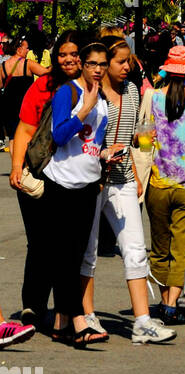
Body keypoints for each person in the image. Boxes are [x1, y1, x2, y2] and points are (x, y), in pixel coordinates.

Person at [80, 39, 175, 344]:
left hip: (122, 180)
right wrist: (103, 152)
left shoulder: (133, 91)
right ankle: (88, 315)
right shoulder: (89, 95)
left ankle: (143, 322)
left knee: (135, 250)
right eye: (120, 61)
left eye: (128, 61)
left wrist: (137, 146)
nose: (127, 66)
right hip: (92, 180)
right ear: (104, 64)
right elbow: (82, 140)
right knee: (89, 251)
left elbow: (135, 133)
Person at [43, 41, 123, 347]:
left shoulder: (101, 96)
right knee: (65, 256)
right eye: (92, 64)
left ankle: (62, 323)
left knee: (75, 256)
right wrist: (85, 109)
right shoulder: (69, 92)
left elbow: (90, 143)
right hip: (61, 183)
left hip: (88, 184)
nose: (98, 70)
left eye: (103, 64)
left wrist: (105, 154)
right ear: (82, 65)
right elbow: (60, 135)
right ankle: (78, 321)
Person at [9, 30, 82, 328]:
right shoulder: (42, 86)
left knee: (68, 244)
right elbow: (25, 128)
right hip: (39, 172)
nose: (68, 59)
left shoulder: (92, 87)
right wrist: (16, 166)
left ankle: (67, 309)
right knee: (39, 241)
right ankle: (33, 306)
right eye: (63, 53)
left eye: (74, 53)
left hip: (76, 176)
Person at [142, 45, 185, 327]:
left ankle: (164, 301)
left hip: (158, 184)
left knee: (160, 248)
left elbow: (143, 140)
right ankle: (172, 303)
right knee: (183, 248)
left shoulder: (152, 97)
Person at [1, 34, 49, 144]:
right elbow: (45, 73)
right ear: (19, 48)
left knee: (13, 137)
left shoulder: (3, 66)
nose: (28, 50)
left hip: (8, 105)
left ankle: (15, 161)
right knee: (26, 136)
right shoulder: (28, 64)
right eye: (26, 48)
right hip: (25, 105)